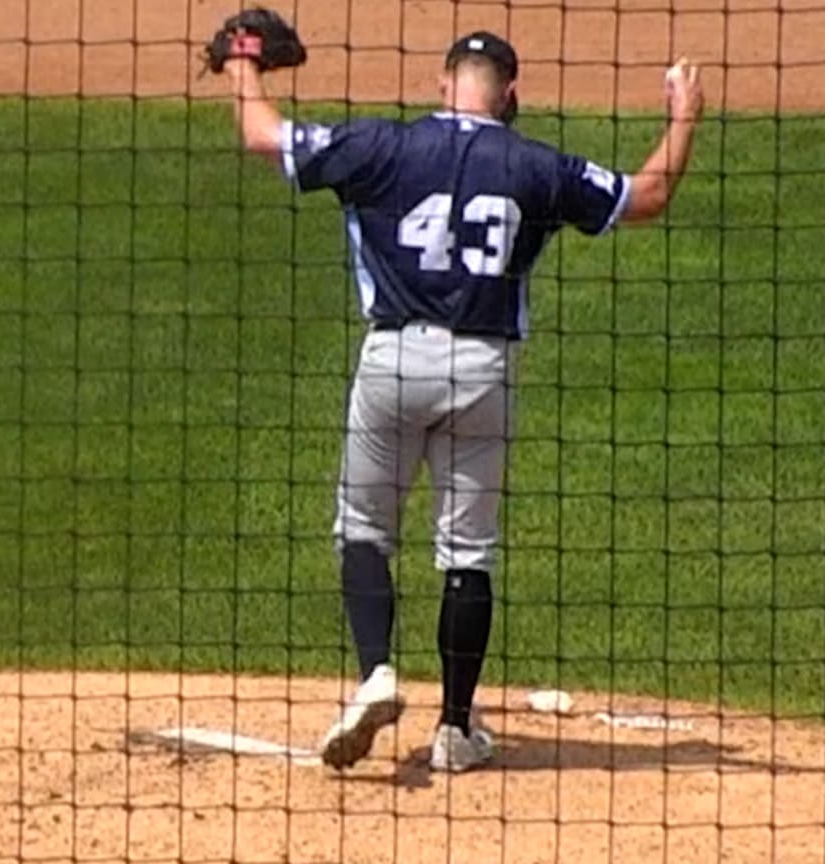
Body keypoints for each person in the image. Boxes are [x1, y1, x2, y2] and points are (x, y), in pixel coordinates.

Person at [223, 30, 704, 772]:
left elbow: (260, 133)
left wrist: (245, 59)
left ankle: (377, 670)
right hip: (484, 370)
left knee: (362, 529)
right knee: (468, 551)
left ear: (443, 84)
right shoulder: (536, 165)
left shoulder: (381, 146)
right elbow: (649, 196)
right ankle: (454, 728)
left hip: (391, 361)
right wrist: (684, 116)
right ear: (508, 96)